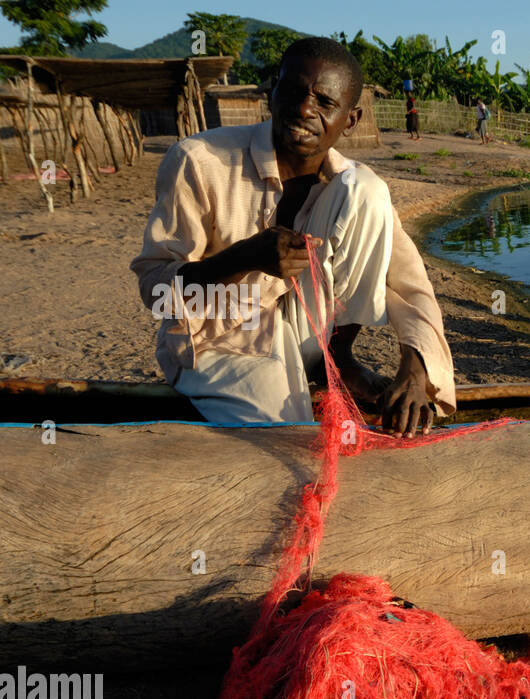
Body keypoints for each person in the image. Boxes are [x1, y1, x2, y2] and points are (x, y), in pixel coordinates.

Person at [130, 36, 454, 437]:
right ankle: (293, 384)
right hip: (220, 336)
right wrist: (241, 259)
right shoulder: (197, 160)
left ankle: (337, 358)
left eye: (324, 102)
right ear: (273, 92)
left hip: (311, 334)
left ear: (350, 120)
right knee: (289, 436)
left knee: (369, 189)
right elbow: (156, 292)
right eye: (294, 92)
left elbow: (410, 287)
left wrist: (416, 370)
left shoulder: (349, 187)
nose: (304, 109)